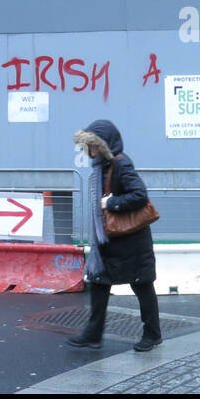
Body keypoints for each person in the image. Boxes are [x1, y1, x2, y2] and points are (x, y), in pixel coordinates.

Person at [66, 119, 163, 352]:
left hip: (131, 242)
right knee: (99, 284)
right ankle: (92, 335)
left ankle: (152, 334)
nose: (90, 151)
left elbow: (139, 195)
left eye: (93, 145)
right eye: (88, 146)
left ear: (104, 145)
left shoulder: (121, 164)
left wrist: (112, 202)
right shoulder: (101, 168)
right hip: (109, 243)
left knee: (142, 286)